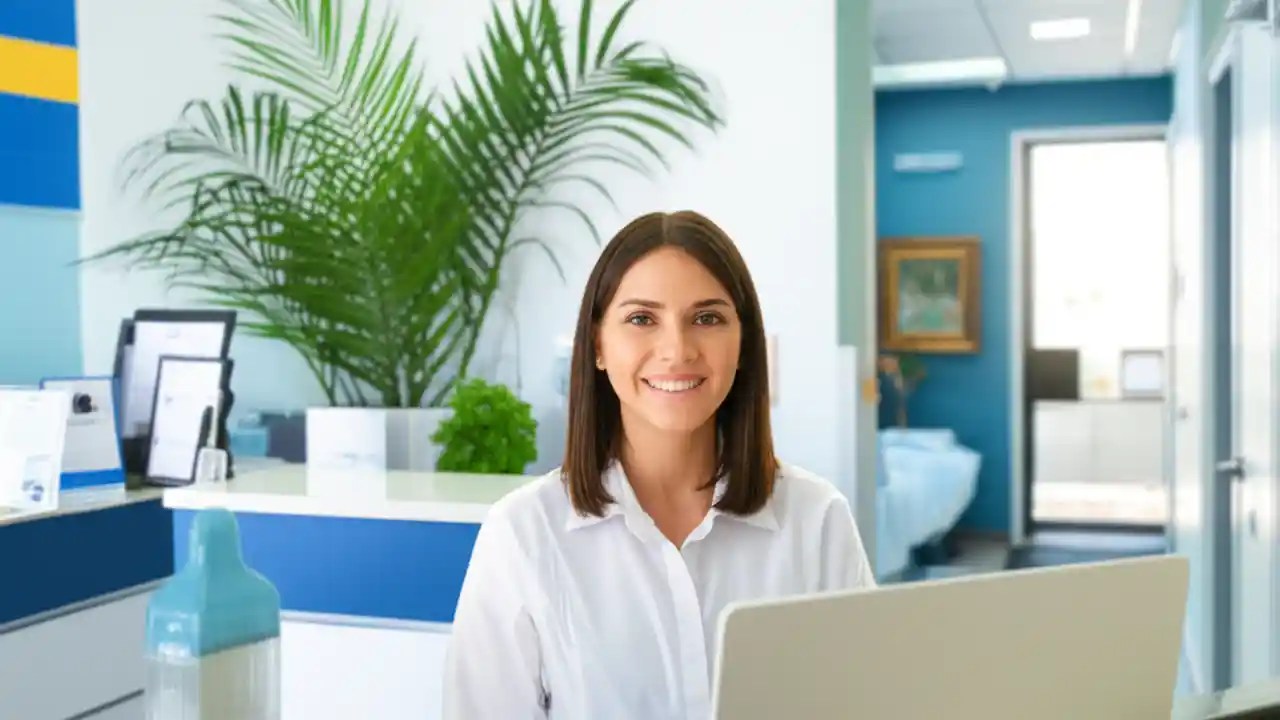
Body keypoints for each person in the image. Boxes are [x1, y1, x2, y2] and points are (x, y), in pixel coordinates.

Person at [442, 210, 876, 719]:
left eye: (707, 318)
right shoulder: (524, 533)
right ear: (598, 344)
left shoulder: (817, 521)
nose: (677, 350)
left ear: (744, 345)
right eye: (641, 319)